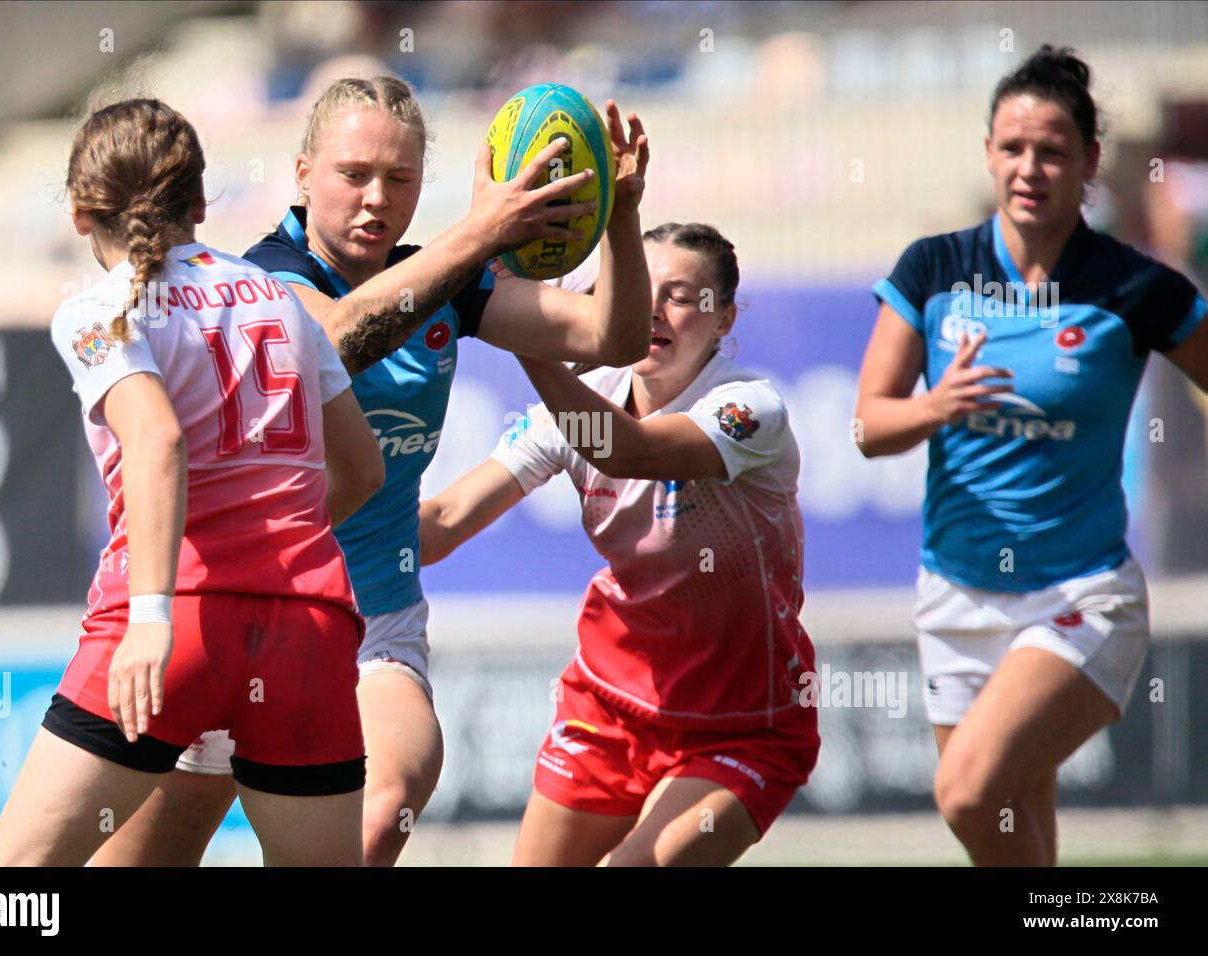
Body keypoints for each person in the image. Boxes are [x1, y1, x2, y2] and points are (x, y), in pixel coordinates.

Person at [91, 75, 652, 866]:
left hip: (371, 622)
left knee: (382, 813)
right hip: (235, 613)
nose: (375, 200)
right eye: (353, 175)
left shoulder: (455, 282)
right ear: (301, 175)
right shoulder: (264, 280)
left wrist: (621, 222)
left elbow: (613, 337)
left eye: (400, 179)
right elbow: (337, 338)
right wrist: (478, 233)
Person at [0, 98, 385, 866]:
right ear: (202, 202)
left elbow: (157, 438)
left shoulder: (95, 312)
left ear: (78, 213)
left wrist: (152, 617)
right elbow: (363, 468)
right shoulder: (283, 299)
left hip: (176, 628)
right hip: (309, 631)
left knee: (3, 894)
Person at [855, 46, 1208, 866]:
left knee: (968, 793)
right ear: (987, 152)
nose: (1030, 167)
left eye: (1052, 151)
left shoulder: (1133, 287)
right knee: (1010, 835)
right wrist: (938, 406)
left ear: (1088, 162)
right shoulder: (933, 268)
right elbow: (869, 428)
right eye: (1012, 147)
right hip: (952, 595)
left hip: (1078, 596)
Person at [419, 222, 820, 866]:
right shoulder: (577, 407)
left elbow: (633, 451)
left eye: (684, 296)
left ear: (724, 320)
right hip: (610, 701)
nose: (656, 311)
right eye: (641, 290)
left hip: (746, 723)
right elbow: (439, 524)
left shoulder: (749, 410)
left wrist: (531, 338)